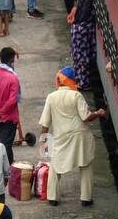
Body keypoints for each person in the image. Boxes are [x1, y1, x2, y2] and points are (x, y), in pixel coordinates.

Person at [40, 66, 108, 206]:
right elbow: (86, 117)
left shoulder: (51, 97)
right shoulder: (76, 95)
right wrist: (99, 113)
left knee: (55, 166)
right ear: (72, 81)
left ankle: (52, 197)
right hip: (80, 136)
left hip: (61, 138)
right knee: (86, 165)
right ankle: (86, 198)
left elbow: (45, 123)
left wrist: (44, 143)